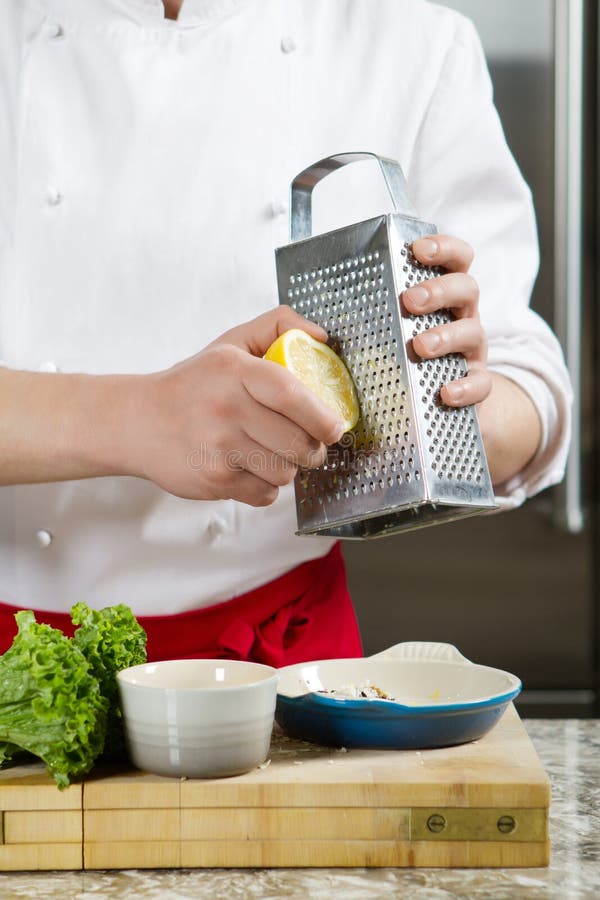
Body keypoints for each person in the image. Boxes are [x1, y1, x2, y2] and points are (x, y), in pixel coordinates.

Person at [0, 0, 571, 662]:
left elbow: (534, 395)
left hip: (277, 672)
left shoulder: (412, 42)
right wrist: (140, 417)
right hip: (15, 678)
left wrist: (431, 399)